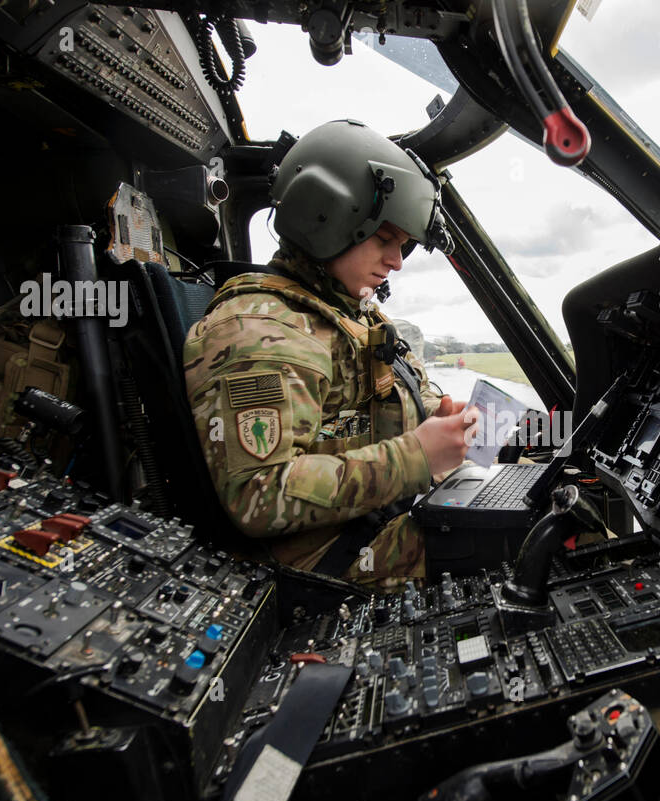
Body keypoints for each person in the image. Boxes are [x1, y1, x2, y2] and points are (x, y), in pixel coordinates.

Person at [184, 119, 477, 590]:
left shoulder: (354, 316)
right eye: (386, 239)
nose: (397, 261)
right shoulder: (262, 332)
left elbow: (363, 413)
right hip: (322, 561)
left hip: (372, 520)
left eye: (403, 245)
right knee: (528, 542)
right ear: (325, 216)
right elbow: (259, 496)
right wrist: (417, 456)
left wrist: (435, 415)